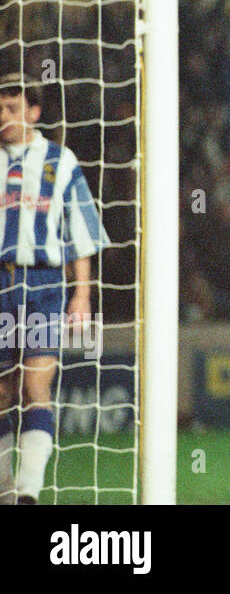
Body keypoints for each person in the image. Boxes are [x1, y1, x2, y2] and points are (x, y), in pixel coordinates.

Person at [0, 75, 109, 504]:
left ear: (34, 111)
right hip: (0, 282)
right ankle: (6, 490)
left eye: (11, 108)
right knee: (3, 390)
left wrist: (81, 295)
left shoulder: (61, 161)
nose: (2, 117)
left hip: (44, 282)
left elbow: (80, 234)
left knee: (34, 387)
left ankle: (28, 490)